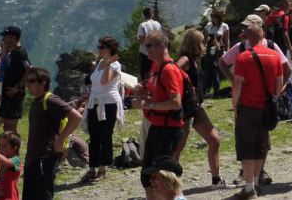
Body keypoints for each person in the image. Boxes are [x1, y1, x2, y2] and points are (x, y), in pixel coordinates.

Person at [232, 22, 283, 200]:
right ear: (262, 36)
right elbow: (279, 84)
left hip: (248, 108)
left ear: (247, 38)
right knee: (261, 145)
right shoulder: (275, 56)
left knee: (247, 147)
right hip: (267, 108)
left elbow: (237, 85)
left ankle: (249, 188)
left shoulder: (243, 57)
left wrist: (234, 106)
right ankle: (255, 183)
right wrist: (273, 100)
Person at [132, 31, 185, 200]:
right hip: (158, 126)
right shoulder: (156, 68)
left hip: (168, 129)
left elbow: (175, 102)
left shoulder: (168, 69)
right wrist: (143, 94)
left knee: (163, 177)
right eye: (145, 45)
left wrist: (149, 104)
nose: (146, 49)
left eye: (149, 45)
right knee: (148, 175)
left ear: (163, 46)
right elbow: (157, 96)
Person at [22, 68, 81, 200]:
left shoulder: (50, 100)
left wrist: (61, 139)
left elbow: (76, 117)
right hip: (32, 159)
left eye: (31, 81)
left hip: (45, 158)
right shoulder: (36, 101)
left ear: (43, 83)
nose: (27, 85)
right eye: (27, 81)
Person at [173, 29, 222, 187]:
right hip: (185, 108)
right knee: (178, 146)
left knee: (214, 140)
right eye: (202, 42)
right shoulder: (185, 59)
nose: (205, 45)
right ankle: (170, 184)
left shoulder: (194, 60)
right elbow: (172, 72)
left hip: (195, 107)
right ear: (196, 44)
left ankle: (216, 180)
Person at [82, 36, 123, 184]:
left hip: (108, 103)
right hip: (95, 101)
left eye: (101, 47)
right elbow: (95, 81)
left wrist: (107, 65)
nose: (99, 49)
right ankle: (92, 168)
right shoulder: (100, 63)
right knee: (94, 136)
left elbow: (106, 81)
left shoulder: (115, 65)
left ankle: (102, 168)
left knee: (105, 136)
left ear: (109, 49)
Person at [0, 27, 29, 134]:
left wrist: (17, 88)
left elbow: (29, 69)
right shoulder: (13, 52)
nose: (3, 39)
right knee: (7, 127)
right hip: (8, 94)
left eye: (5, 37)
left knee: (10, 128)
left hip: (14, 95)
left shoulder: (20, 53)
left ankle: (14, 149)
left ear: (13, 38)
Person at [201, 9, 229, 99]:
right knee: (206, 71)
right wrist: (203, 49)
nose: (213, 19)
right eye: (212, 17)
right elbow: (204, 39)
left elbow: (226, 40)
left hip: (219, 51)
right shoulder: (208, 25)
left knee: (216, 71)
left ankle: (217, 92)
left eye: (215, 17)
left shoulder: (224, 26)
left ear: (219, 18)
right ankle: (204, 91)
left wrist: (227, 51)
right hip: (209, 51)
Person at [137, 7, 162, 81]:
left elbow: (141, 40)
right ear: (152, 14)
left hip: (145, 52)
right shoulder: (157, 24)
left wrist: (137, 39)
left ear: (143, 15)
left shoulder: (142, 25)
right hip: (155, 52)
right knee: (154, 72)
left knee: (145, 73)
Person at [0, 131, 21, 200]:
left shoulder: (16, 160)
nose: (0, 149)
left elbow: (7, 162)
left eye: (4, 146)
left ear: (14, 148)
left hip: (10, 197)